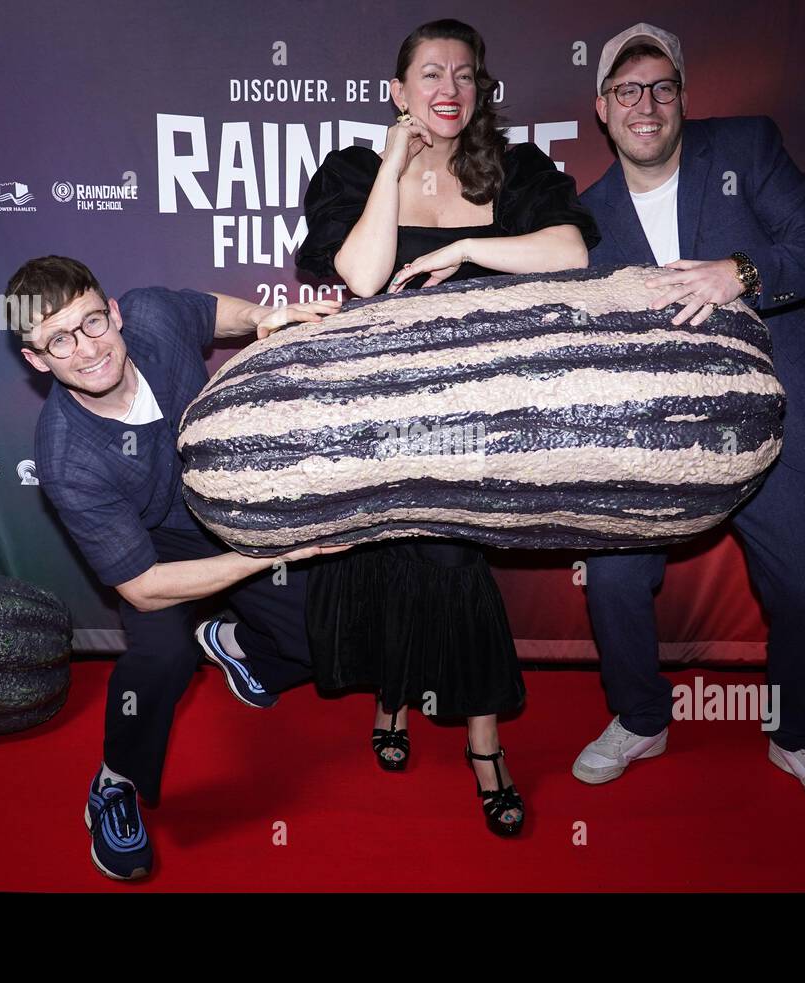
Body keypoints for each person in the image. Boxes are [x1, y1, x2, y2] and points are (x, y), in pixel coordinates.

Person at [295, 18, 599, 837]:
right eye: (430, 74)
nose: (449, 90)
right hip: (376, 405)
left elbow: (572, 251)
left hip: (475, 412)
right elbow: (359, 275)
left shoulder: (512, 169)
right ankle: (392, 702)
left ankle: (485, 745)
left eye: (465, 75)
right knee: (389, 553)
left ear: (481, 88)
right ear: (398, 92)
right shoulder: (358, 170)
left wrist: (467, 245)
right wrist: (393, 169)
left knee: (450, 563)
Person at [572, 24, 805, 817]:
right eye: (627, 90)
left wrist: (740, 273)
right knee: (613, 580)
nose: (646, 104)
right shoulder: (587, 216)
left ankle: (796, 733)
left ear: (683, 97)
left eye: (662, 87)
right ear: (603, 108)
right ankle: (640, 719)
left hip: (776, 416)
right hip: (659, 438)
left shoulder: (745, 148)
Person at [10, 255, 344, 879]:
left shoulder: (152, 316)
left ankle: (237, 645)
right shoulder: (65, 457)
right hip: (150, 550)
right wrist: (266, 555)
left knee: (324, 626)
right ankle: (116, 781)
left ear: (114, 312)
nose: (86, 351)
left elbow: (211, 312)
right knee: (163, 655)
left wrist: (262, 316)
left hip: (223, 505)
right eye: (57, 341)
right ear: (37, 360)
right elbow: (141, 588)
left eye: (90, 324)